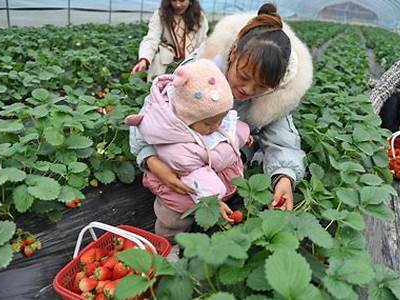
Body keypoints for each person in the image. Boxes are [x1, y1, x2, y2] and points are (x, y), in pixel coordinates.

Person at [130, 3, 313, 216]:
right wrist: (151, 160)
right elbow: (151, 118)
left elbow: (283, 141)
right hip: (181, 157)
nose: (248, 89)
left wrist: (284, 178)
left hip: (226, 164)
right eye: (244, 77)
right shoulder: (196, 73)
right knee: (175, 207)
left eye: (261, 86)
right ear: (233, 52)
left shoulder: (276, 99)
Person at [126, 59, 251, 239]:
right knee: (173, 220)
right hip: (181, 190)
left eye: (221, 119)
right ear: (187, 119)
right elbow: (198, 178)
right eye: (209, 123)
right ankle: (169, 243)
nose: (216, 127)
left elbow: (230, 125)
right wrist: (213, 201)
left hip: (211, 183)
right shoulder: (177, 148)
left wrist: (241, 135)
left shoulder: (209, 118)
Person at [131, 0, 209, 81]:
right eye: (174, 0)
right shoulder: (161, 14)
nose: (178, 5)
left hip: (190, 62)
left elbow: (202, 43)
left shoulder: (200, 17)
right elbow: (152, 38)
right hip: (165, 59)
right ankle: (153, 86)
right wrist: (144, 59)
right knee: (158, 58)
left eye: (182, 0)